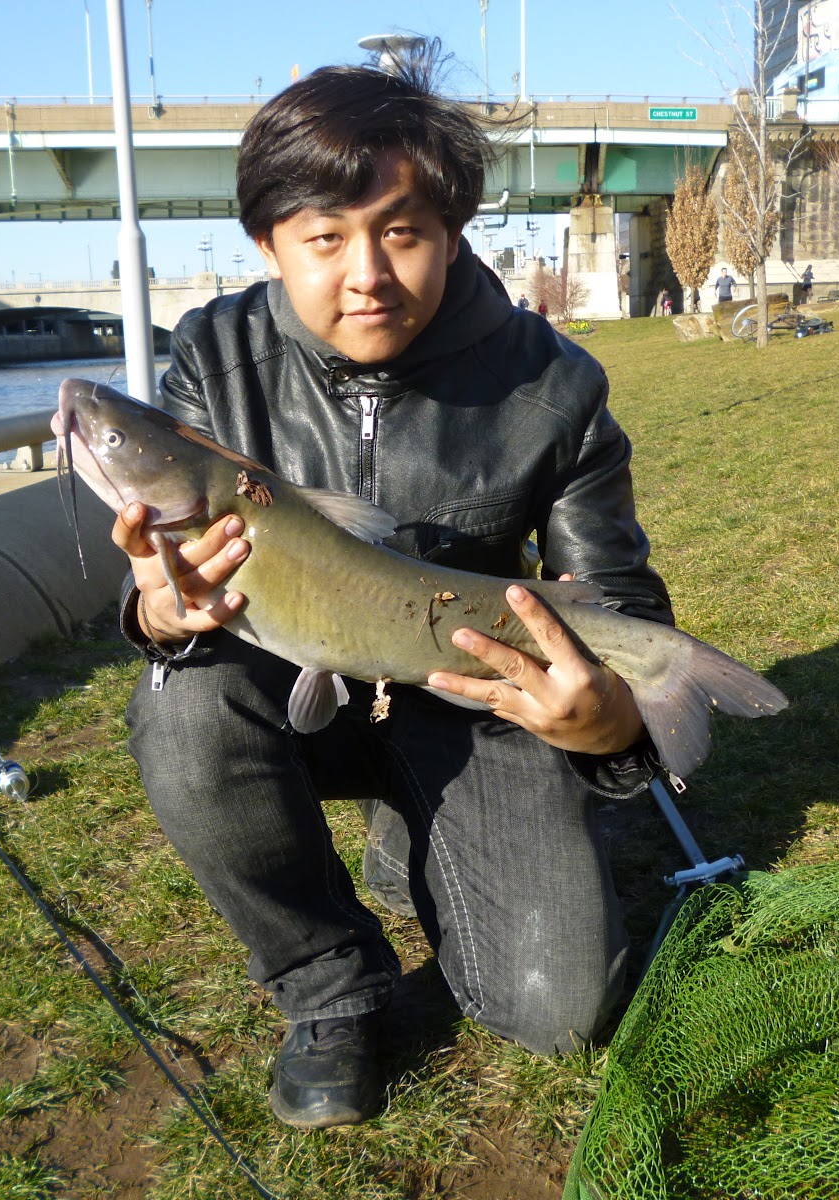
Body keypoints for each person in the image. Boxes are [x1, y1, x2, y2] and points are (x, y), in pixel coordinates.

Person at [110, 59, 677, 1129]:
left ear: (454, 230)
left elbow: (618, 603)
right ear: (269, 243)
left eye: (402, 232)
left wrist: (611, 723)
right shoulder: (213, 360)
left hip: (475, 706)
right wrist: (159, 616)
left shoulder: (554, 388)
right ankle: (328, 990)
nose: (366, 273)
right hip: (289, 695)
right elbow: (161, 588)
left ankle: (410, 825)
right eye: (323, 237)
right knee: (178, 703)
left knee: (558, 1014)